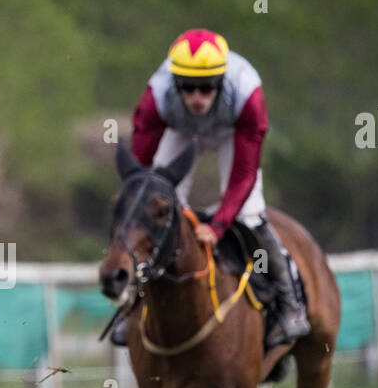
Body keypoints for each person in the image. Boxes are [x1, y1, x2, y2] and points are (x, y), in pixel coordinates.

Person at [113, 28, 309, 348]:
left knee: (248, 213)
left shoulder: (248, 96)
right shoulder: (156, 97)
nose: (196, 98)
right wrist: (134, 200)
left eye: (206, 88)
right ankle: (131, 307)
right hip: (179, 131)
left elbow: (244, 175)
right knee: (157, 211)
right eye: (187, 88)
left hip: (233, 132)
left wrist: (218, 226)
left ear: (221, 81)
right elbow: (141, 168)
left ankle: (291, 305)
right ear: (174, 83)